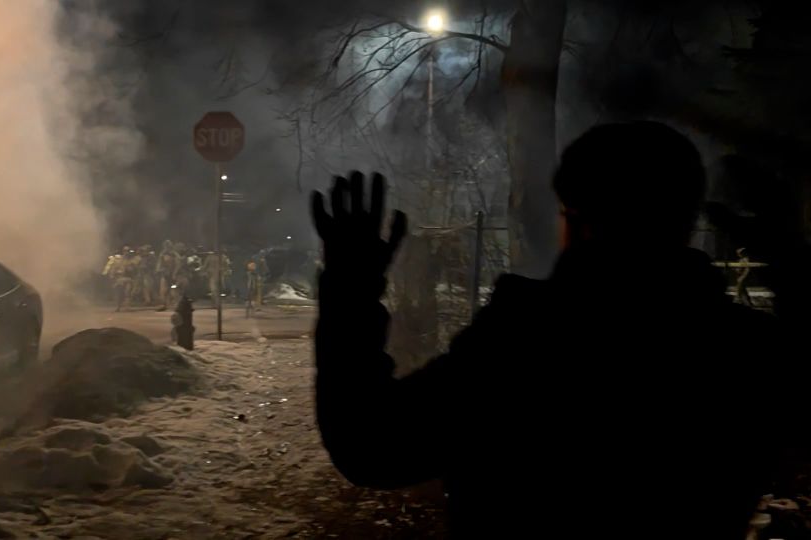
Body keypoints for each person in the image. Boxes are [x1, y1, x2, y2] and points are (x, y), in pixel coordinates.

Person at [311, 122, 806, 538]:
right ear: (688, 221)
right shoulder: (748, 353)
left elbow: (371, 447)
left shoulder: (520, 348)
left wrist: (350, 289)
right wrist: (793, 267)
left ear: (574, 219)